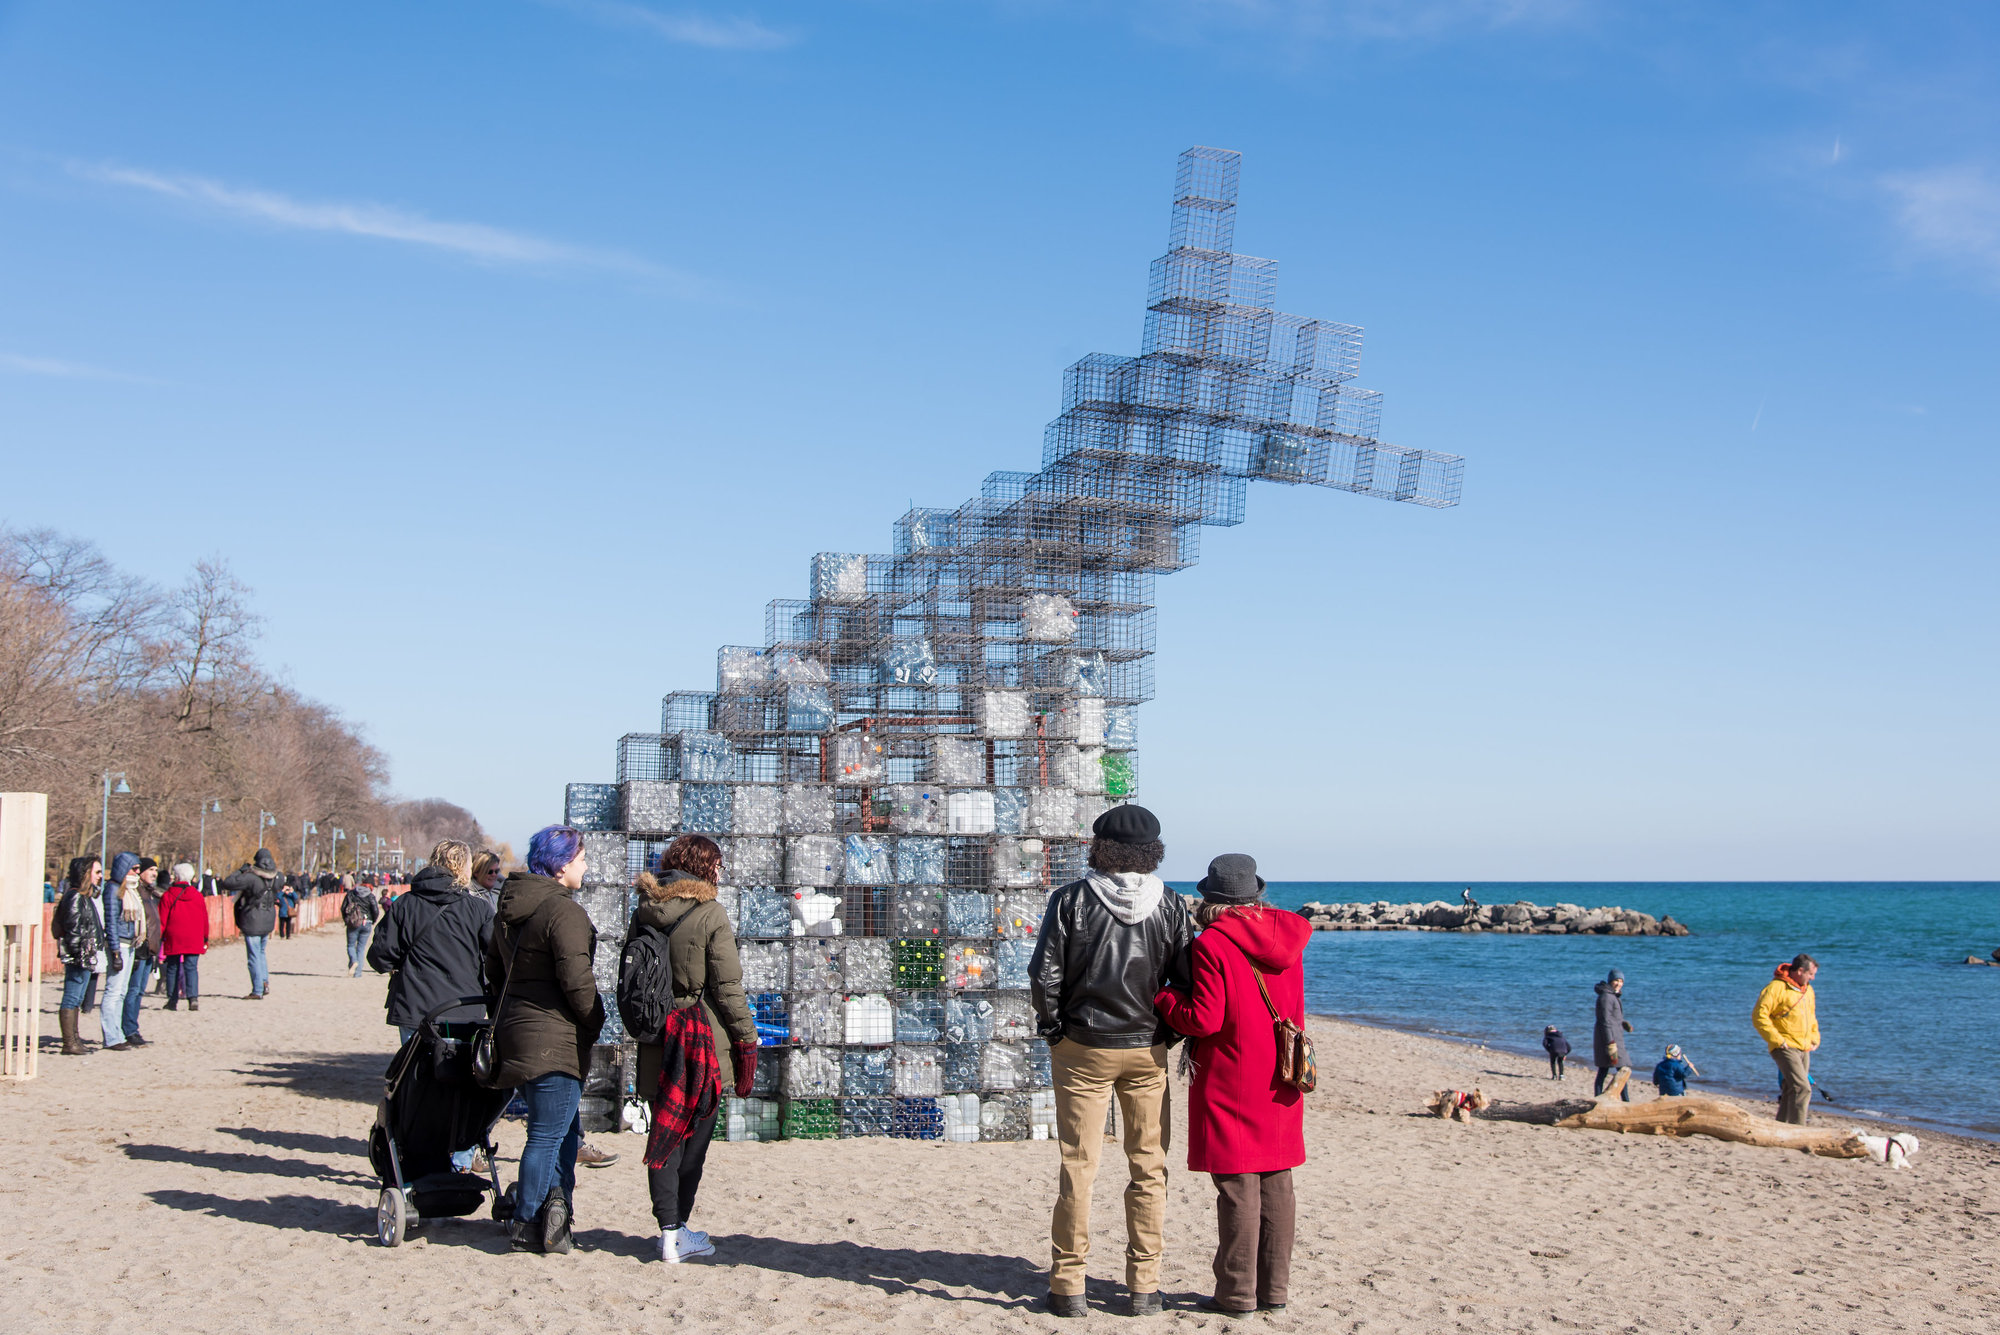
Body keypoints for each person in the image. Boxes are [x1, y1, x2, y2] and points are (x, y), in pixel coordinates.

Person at [1029, 804, 1195, 1319]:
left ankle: (1068, 1286)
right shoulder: (1169, 904)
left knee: (1079, 1166)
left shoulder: (1071, 899)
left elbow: (1044, 976)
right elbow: (1187, 980)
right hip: (1147, 1049)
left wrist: (1054, 1029)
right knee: (1149, 1168)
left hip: (1083, 1046)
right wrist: (1165, 1032)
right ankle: (1144, 1287)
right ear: (1152, 850)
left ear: (1101, 846)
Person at [1154, 854, 1311, 1317]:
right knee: (1277, 1184)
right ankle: (1274, 1292)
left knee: (1238, 1189)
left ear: (1209, 900)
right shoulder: (1290, 936)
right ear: (1256, 894)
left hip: (1232, 1077)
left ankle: (1238, 1295)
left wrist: (1163, 996)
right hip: (1281, 1075)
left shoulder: (1211, 945)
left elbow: (1203, 1020)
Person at [624, 835, 758, 1264]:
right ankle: (679, 1229)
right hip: (700, 1038)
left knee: (665, 1133)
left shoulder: (643, 910)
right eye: (717, 865)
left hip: (656, 1035)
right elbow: (727, 986)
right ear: (703, 868)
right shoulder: (710, 912)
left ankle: (666, 1230)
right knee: (694, 1139)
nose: (720, 872)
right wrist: (746, 1042)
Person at [485, 825, 604, 1255]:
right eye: (581, 858)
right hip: (554, 1037)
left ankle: (556, 1210)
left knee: (560, 1130)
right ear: (561, 865)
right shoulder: (564, 912)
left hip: (516, 1031)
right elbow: (578, 983)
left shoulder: (508, 909)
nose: (586, 866)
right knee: (546, 1136)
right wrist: (595, 1021)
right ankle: (528, 1221)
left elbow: (493, 973)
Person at [370, 839, 495, 1173]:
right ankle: (462, 1159)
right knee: (463, 1084)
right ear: (465, 868)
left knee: (417, 1086)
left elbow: (379, 956)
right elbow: (496, 957)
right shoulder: (479, 908)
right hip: (466, 1010)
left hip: (417, 1009)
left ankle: (419, 1157)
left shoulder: (406, 904)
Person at [1753, 953, 1820, 1124]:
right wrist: (1776, 1039)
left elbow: (1811, 1017)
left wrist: (1814, 1038)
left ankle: (1780, 1126)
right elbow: (1759, 1016)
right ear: (1800, 971)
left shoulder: (1808, 990)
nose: (1813, 978)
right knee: (1803, 1088)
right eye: (1811, 974)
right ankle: (1798, 1130)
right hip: (1784, 1046)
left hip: (1804, 1047)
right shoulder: (1776, 988)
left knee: (1791, 1088)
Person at [52, 856, 108, 1056]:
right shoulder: (74, 896)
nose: (101, 876)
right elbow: (73, 927)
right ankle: (69, 1042)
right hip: (79, 956)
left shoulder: (85, 896)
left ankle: (74, 1039)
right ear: (86, 874)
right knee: (72, 997)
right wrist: (79, 954)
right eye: (97, 872)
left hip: (86, 954)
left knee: (76, 998)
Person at [97, 852, 144, 1050]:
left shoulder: (130, 891)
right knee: (114, 991)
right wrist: (115, 951)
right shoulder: (113, 890)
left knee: (122, 992)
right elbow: (111, 922)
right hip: (120, 945)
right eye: (134, 869)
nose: (137, 873)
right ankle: (111, 1036)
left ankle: (118, 1033)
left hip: (129, 943)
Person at [221, 849, 283, 999]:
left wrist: (240, 870)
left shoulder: (251, 878)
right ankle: (264, 982)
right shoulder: (278, 877)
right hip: (268, 919)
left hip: (253, 920)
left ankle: (257, 990)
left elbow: (227, 883)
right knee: (261, 953)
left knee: (254, 956)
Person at [120, 857, 165, 1044]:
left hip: (149, 949)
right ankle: (129, 1030)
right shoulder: (135, 892)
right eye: (150, 869)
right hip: (139, 948)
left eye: (156, 870)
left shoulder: (150, 893)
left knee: (138, 991)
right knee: (133, 990)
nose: (154, 873)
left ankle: (133, 1028)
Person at [159, 863, 208, 1010]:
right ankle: (193, 998)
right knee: (191, 968)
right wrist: (205, 938)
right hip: (194, 937)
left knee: (172, 967)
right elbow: (204, 919)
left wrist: (160, 937)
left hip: (174, 935)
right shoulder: (198, 896)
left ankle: (172, 1000)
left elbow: (162, 919)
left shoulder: (168, 895)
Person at [1591, 968, 1632, 1102]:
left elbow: (1611, 1017)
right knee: (1615, 1070)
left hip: (1615, 1037)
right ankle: (1601, 1100)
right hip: (1609, 1039)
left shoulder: (1612, 996)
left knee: (1618, 1070)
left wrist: (1623, 1023)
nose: (1619, 983)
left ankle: (1624, 1100)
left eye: (1621, 981)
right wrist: (1610, 1043)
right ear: (1610, 981)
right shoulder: (1606, 997)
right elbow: (1605, 1021)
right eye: (1616, 980)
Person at [341, 873, 380, 977]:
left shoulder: (351, 893)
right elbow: (375, 910)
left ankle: (353, 961)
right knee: (361, 948)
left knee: (350, 945)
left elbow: (343, 907)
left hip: (353, 921)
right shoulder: (370, 896)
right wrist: (373, 920)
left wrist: (346, 919)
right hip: (367, 922)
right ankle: (358, 973)